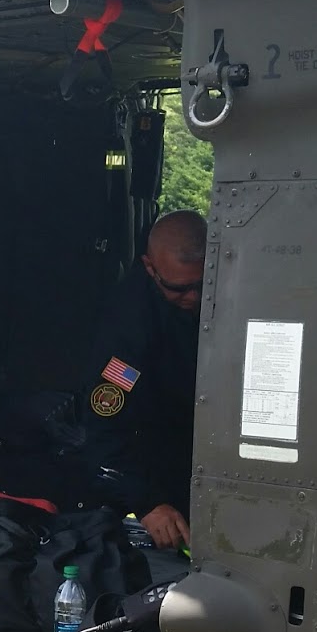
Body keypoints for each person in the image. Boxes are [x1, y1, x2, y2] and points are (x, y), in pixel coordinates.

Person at [73, 209, 206, 550]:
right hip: (150, 459)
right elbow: (104, 429)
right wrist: (147, 503)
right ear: (150, 267)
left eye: (201, 284)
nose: (193, 297)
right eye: (179, 288)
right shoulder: (128, 327)